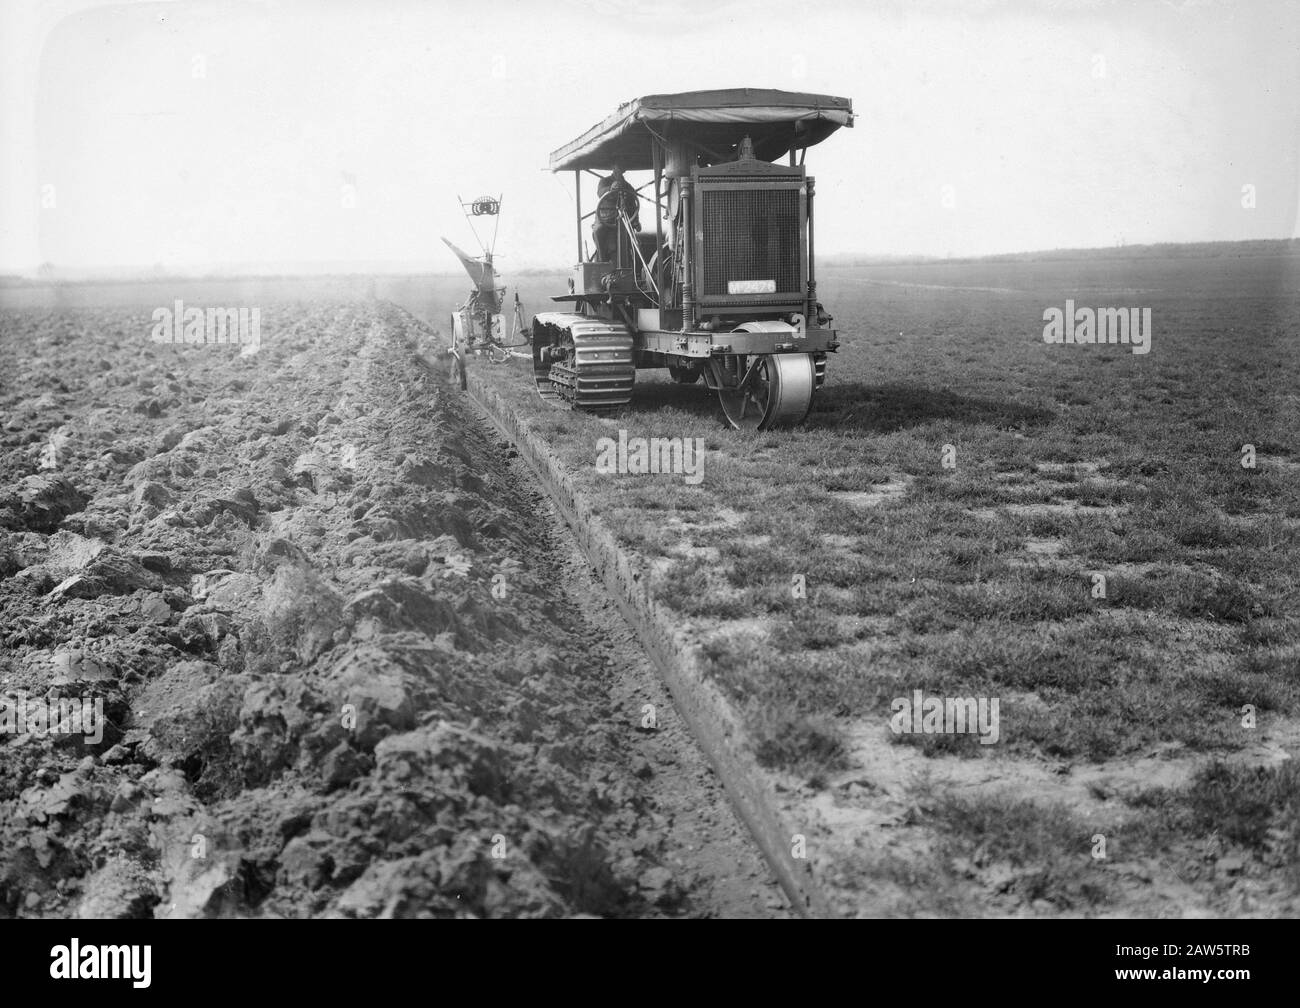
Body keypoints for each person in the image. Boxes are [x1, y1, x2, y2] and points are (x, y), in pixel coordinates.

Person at [592, 165, 639, 263]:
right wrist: (610, 188)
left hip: (622, 219)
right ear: (613, 168)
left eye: (620, 168)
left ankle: (631, 265)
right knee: (597, 231)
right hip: (604, 218)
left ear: (623, 171)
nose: (618, 170)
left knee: (632, 239)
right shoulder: (604, 182)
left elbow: (634, 204)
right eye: (616, 167)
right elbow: (600, 193)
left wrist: (636, 221)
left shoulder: (628, 186)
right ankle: (602, 260)